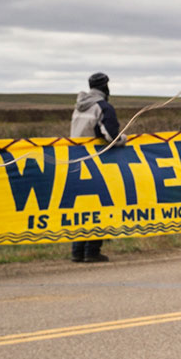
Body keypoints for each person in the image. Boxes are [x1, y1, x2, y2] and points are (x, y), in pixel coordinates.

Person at [68, 72, 119, 263]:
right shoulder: (103, 107)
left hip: (75, 161)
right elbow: (110, 135)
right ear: (105, 86)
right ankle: (92, 250)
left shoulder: (79, 107)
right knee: (99, 206)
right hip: (97, 162)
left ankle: (77, 250)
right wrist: (123, 140)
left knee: (82, 207)